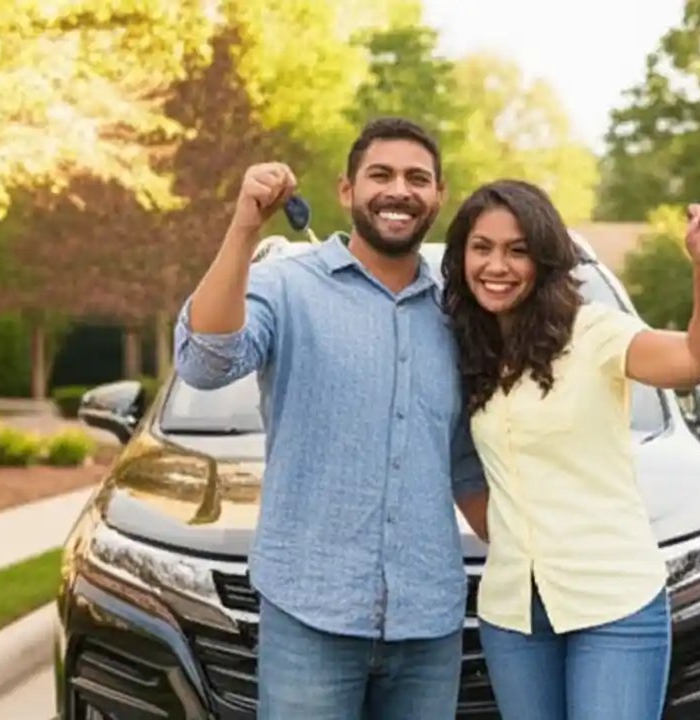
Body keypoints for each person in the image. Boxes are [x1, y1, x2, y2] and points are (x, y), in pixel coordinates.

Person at [171, 117, 486, 719]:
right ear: (347, 191)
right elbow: (203, 363)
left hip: (429, 623)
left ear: (439, 196)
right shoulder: (284, 285)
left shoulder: (459, 312)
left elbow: (466, 464)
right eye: (381, 175)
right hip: (309, 617)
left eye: (418, 178)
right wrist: (244, 226)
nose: (400, 190)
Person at [440, 179, 700, 720]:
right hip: (514, 613)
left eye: (517, 250)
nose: (496, 265)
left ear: (545, 259)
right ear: (462, 257)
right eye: (481, 248)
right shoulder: (466, 348)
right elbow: (464, 466)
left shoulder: (594, 332)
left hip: (613, 603)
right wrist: (509, 534)